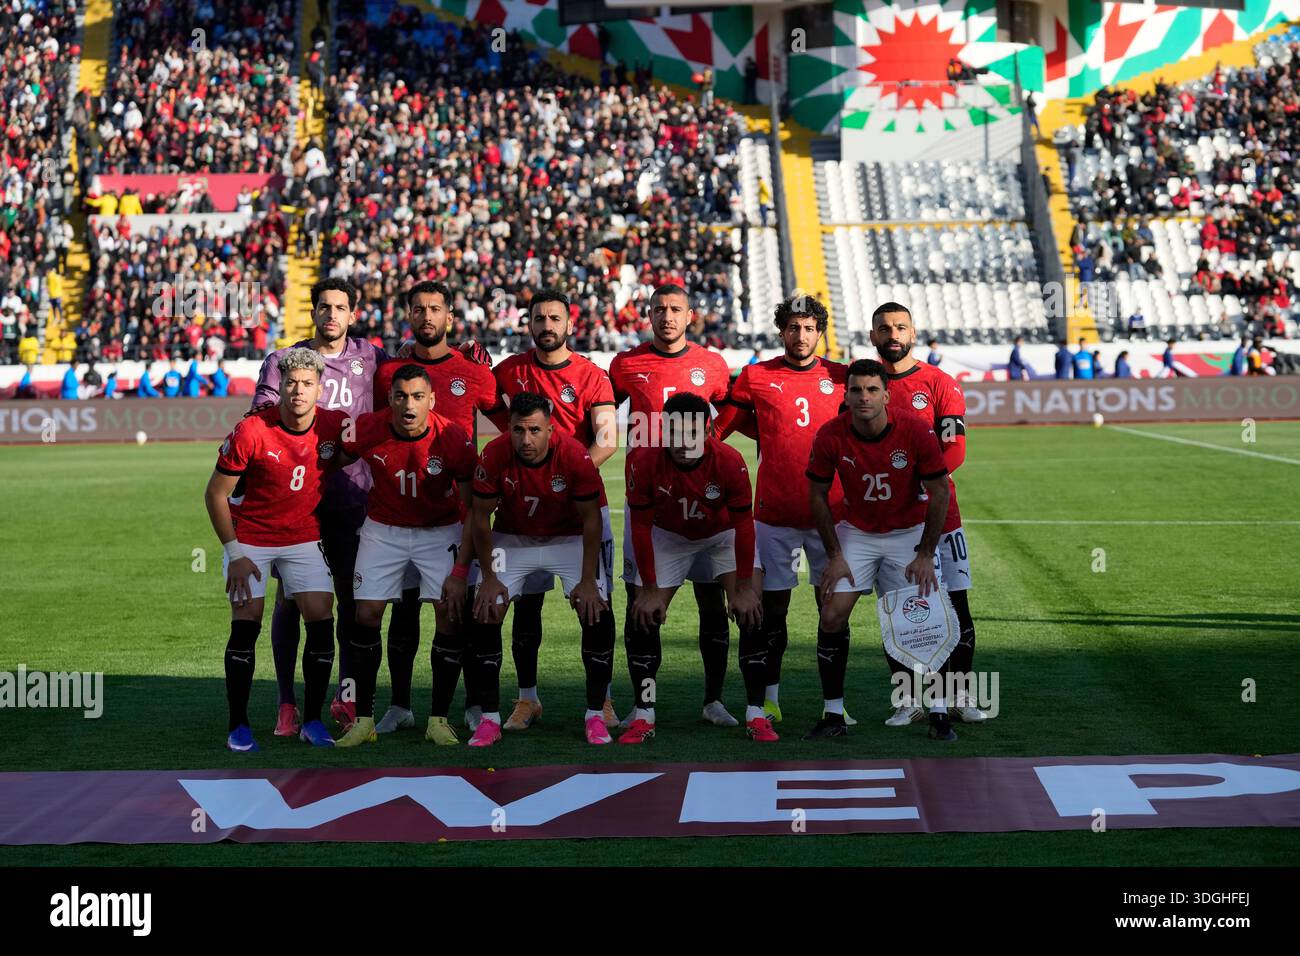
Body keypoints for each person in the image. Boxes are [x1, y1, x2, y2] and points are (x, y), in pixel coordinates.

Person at [479, 291, 620, 733]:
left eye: (554, 317)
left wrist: (568, 476)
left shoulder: (590, 374)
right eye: (539, 317)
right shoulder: (508, 371)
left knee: (596, 605)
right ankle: (527, 700)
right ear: (529, 323)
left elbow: (608, 438)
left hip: (577, 510)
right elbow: (481, 407)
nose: (546, 324)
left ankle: (604, 700)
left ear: (568, 322)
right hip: (521, 516)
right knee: (524, 608)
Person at [253, 278, 388, 736]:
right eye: (324, 306)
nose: (332, 314)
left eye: (341, 307)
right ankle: (287, 704)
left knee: (353, 599)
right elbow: (262, 416)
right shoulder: (283, 362)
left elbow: (412, 376)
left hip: (353, 498)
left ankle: (347, 697)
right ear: (313, 312)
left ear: (353, 313)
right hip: (297, 504)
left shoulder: (371, 357)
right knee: (291, 600)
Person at [203, 348, 349, 752]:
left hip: (303, 536)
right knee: (246, 623)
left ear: (321, 389)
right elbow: (215, 495)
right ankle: (239, 725)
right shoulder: (252, 430)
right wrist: (234, 554)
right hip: (250, 537)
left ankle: (314, 720)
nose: (298, 391)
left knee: (321, 620)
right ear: (279, 386)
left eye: (307, 384)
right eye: (291, 383)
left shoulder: (335, 426)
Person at [804, 358, 954, 742]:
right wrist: (835, 555)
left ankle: (938, 711)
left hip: (908, 533)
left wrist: (924, 553)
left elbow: (940, 491)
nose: (863, 397)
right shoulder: (830, 434)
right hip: (858, 533)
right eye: (856, 390)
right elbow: (818, 495)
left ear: (887, 395)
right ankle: (833, 712)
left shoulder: (916, 431)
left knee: (924, 617)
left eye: (872, 390)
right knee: (832, 613)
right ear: (846, 393)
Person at [370, 281, 497, 733]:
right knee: (403, 613)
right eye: (419, 309)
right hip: (399, 514)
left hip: (456, 517)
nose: (427, 316)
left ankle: (470, 703)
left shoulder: (476, 372)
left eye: (436, 309)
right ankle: (400, 705)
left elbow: (512, 425)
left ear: (450, 318)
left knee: (456, 610)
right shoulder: (389, 375)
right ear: (408, 314)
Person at [714, 294, 846, 725]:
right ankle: (769, 699)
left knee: (834, 612)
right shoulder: (755, 376)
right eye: (793, 327)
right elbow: (720, 429)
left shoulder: (843, 378)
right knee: (772, 614)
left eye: (809, 328)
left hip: (833, 517)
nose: (801, 335)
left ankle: (835, 706)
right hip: (773, 518)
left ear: (820, 332)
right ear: (781, 331)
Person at [609, 284, 737, 728]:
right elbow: (600, 415)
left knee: (712, 605)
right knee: (641, 609)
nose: (667, 316)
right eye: (659, 309)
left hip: (705, 502)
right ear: (648, 314)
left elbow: (730, 412)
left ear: (690, 316)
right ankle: (644, 704)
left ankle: (714, 701)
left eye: (675, 309)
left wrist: (713, 452)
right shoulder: (625, 364)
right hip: (648, 503)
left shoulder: (713, 365)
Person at [332, 365, 478, 747]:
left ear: (431, 400)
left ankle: (438, 720)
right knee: (365, 614)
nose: (408, 404)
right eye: (400, 396)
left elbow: (473, 508)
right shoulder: (367, 428)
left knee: (448, 613)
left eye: (417, 397)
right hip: (383, 530)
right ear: (391, 400)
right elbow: (332, 459)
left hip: (439, 531)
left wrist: (462, 567)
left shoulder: (453, 437)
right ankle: (364, 720)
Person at [470, 392, 613, 746]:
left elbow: (591, 520)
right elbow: (480, 518)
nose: (526, 440)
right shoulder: (495, 453)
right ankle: (489, 719)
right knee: (486, 610)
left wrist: (587, 581)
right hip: (514, 537)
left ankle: (595, 714)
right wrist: (487, 578)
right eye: (518, 431)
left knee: (596, 611)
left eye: (534, 430)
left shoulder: (576, 455)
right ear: (509, 429)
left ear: (550, 428)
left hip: (567, 538)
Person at [622, 392, 766, 743]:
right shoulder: (643, 460)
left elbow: (744, 526)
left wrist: (744, 586)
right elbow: (640, 527)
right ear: (664, 430)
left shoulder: (729, 461)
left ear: (707, 430)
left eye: (692, 432)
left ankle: (754, 713)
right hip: (668, 535)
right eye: (675, 432)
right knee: (643, 614)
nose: (684, 442)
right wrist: (651, 588)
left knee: (751, 611)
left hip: (721, 536)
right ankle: (645, 712)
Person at [868, 303, 984, 723]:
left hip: (941, 517)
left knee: (955, 606)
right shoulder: (863, 384)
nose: (893, 334)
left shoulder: (939, 383)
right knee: (902, 612)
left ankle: (959, 696)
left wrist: (920, 481)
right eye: (885, 328)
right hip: (889, 522)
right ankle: (909, 699)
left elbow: (955, 449)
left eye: (900, 327)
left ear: (913, 333)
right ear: (873, 336)